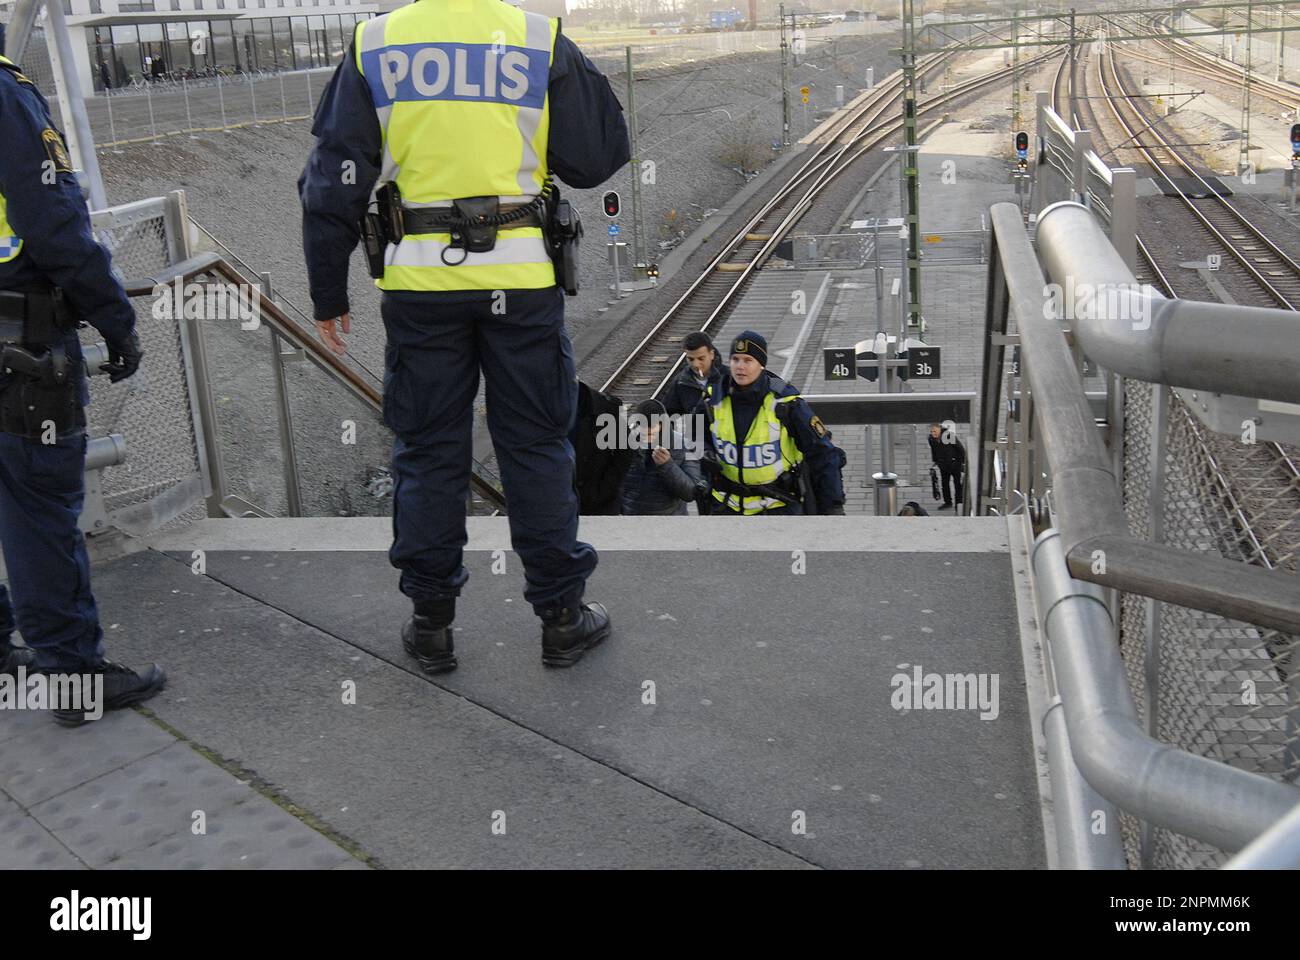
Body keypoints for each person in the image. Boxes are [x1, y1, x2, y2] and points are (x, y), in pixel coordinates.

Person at [300, 0, 630, 671]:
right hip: (522, 287)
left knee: (428, 453)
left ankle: (431, 625)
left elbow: (333, 181)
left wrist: (328, 292)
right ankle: (562, 619)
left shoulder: (376, 43)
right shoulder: (537, 39)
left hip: (422, 290)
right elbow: (595, 158)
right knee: (536, 445)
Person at [0, 39, 165, 724]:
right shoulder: (5, 95)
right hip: (20, 343)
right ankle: (72, 676)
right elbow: (55, 223)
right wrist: (115, 318)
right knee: (40, 510)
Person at [702, 331, 846, 516]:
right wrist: (705, 452)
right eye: (735, 359)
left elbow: (823, 454)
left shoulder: (786, 403)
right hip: (726, 508)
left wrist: (833, 507)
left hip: (777, 507)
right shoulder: (712, 399)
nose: (740, 367)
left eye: (748, 360)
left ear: (761, 364)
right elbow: (694, 438)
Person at [620, 398, 704, 516]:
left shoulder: (684, 444)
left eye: (652, 430)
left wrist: (667, 465)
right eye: (644, 429)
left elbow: (690, 493)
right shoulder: (626, 444)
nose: (648, 433)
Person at [573, 380, 634, 516]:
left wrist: (604, 488)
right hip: (558, 500)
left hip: (599, 504)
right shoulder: (544, 407)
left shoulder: (603, 407)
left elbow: (626, 450)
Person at [928, 423, 966, 511]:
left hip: (954, 464)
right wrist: (935, 462)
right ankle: (948, 502)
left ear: (940, 429)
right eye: (932, 431)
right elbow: (934, 450)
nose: (933, 433)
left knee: (957, 484)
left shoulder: (948, 436)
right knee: (944, 484)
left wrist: (963, 462)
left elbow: (960, 448)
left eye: (935, 431)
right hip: (943, 465)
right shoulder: (931, 439)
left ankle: (959, 503)